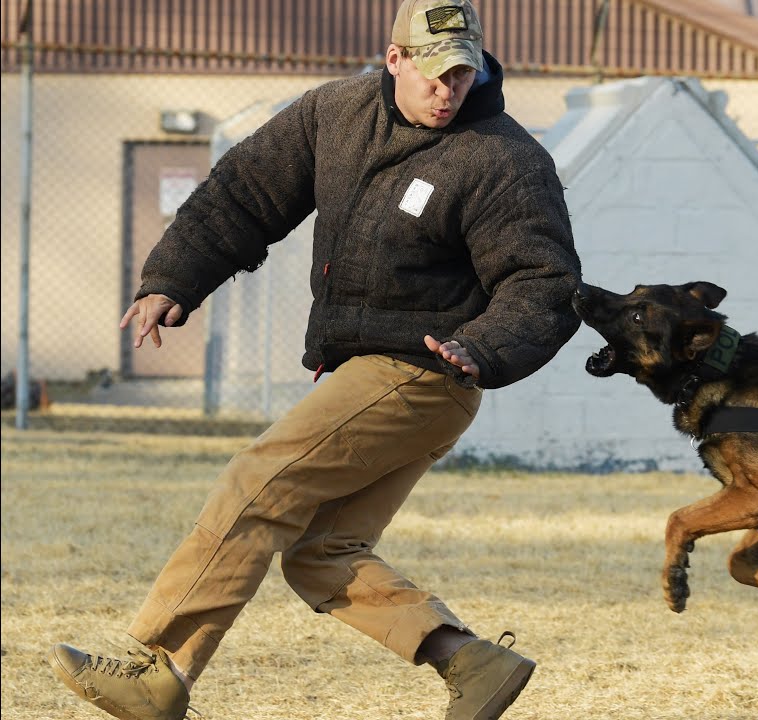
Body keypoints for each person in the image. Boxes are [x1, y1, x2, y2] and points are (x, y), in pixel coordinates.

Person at [48, 1, 581, 718]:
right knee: (321, 551)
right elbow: (243, 195)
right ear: (394, 59)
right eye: (435, 72)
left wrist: (482, 346)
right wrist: (172, 278)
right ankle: (473, 663)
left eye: (464, 72)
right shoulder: (335, 114)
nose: (449, 89)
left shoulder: (502, 159)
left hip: (425, 370)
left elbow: (542, 283)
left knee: (255, 484)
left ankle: (158, 670)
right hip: (373, 372)